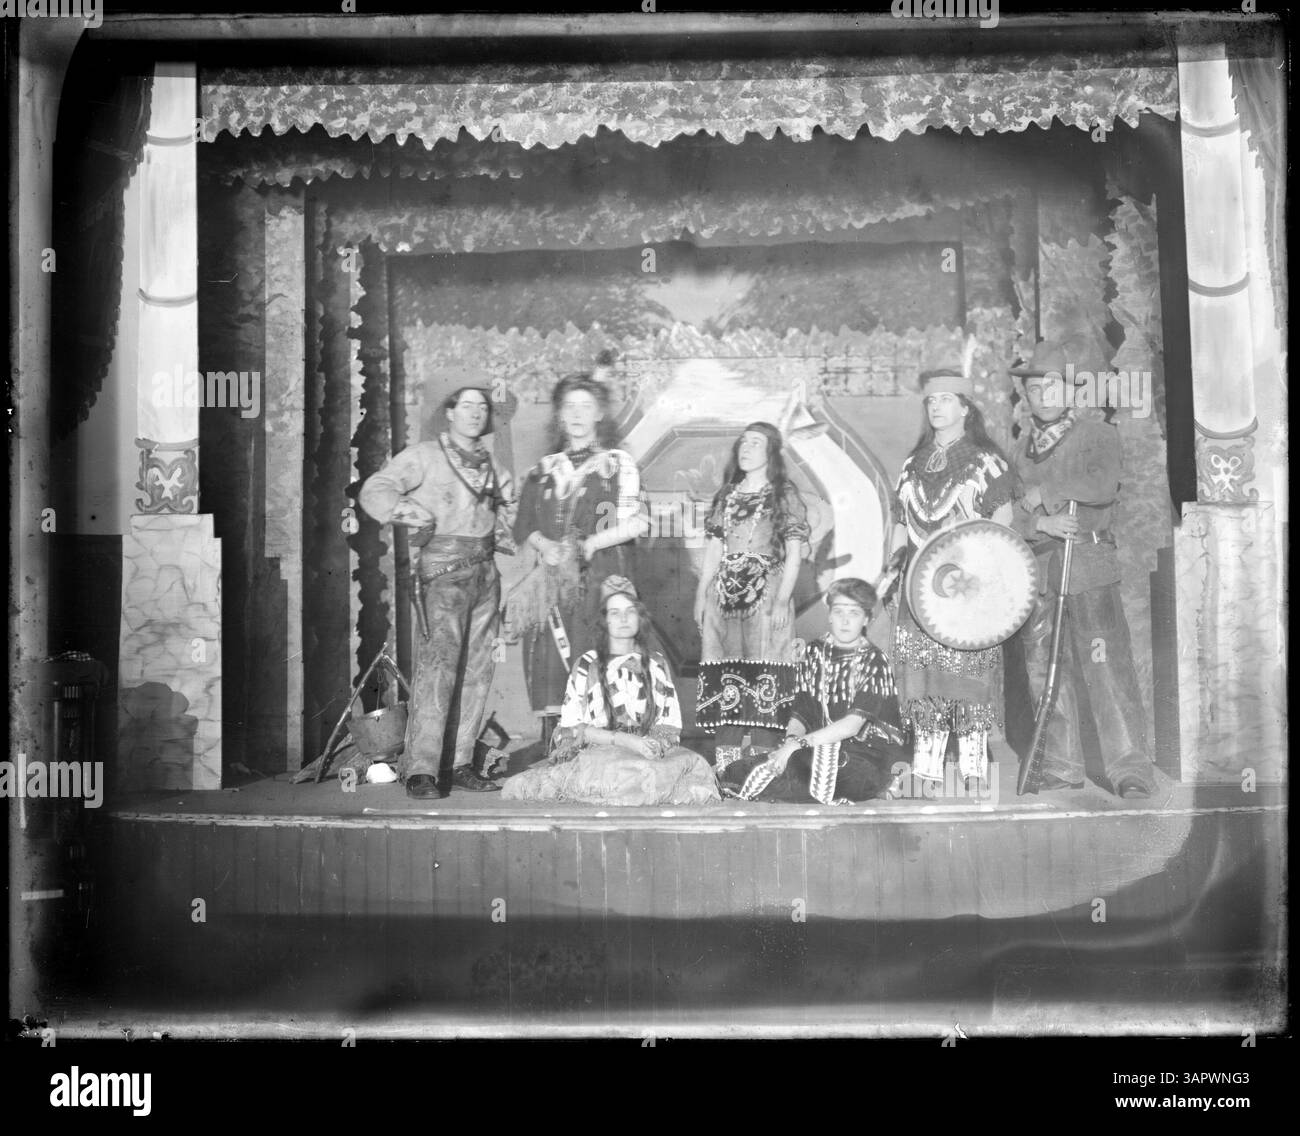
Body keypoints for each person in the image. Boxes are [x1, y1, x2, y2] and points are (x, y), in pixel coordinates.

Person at [1009, 340, 1158, 798]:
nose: (1043, 396)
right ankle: (1061, 763)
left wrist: (1047, 492)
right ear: (1027, 396)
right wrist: (1042, 521)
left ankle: (1129, 767)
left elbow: (1101, 483)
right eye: (1035, 389)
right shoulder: (1018, 450)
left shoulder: (1098, 434)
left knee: (1105, 666)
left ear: (1069, 391)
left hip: (1088, 568)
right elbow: (1009, 512)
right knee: (1044, 669)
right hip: (1041, 573)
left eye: (1051, 386)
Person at [358, 369, 516, 798]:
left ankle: (461, 760)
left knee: (478, 672)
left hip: (486, 575)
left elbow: (508, 512)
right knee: (438, 669)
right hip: (443, 574)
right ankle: (422, 770)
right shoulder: (424, 455)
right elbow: (376, 490)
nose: (475, 413)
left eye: (482, 407)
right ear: (448, 412)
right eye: (466, 405)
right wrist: (411, 513)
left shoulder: (491, 462)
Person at [888, 363, 1018, 790]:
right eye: (930, 400)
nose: (936, 407)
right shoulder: (913, 464)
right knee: (924, 677)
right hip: (917, 590)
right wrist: (890, 575)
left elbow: (1003, 522)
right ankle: (925, 773)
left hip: (967, 589)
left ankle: (974, 772)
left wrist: (987, 578)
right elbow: (899, 526)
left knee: (967, 677)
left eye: (945, 399)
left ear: (966, 408)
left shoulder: (985, 462)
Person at [501, 578, 720, 806]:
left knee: (694, 764)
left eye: (630, 611)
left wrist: (652, 746)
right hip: (600, 752)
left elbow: (668, 724)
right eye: (615, 613)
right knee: (619, 771)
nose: (623, 619)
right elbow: (570, 729)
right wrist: (624, 741)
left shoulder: (657, 664)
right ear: (604, 620)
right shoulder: (587, 664)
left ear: (640, 617)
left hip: (646, 753)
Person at [509, 374, 648, 732]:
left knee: (599, 648)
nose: (577, 414)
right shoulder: (543, 469)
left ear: (599, 414)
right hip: (553, 578)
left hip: (602, 572)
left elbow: (637, 523)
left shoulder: (618, 463)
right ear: (558, 414)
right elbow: (524, 526)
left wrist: (589, 545)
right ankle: (557, 744)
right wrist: (546, 547)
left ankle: (606, 744)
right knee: (551, 657)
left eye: (586, 406)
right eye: (569, 406)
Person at [720, 578, 908, 804]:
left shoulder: (874, 660)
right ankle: (787, 785)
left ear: (867, 618)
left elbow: (852, 726)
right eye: (839, 612)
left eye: (854, 613)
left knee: (844, 774)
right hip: (815, 749)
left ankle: (786, 787)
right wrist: (790, 743)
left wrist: (797, 746)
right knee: (737, 769)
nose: (845, 621)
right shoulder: (814, 652)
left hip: (863, 757)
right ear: (829, 614)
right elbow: (801, 712)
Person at [694, 422, 810, 773]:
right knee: (725, 675)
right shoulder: (726, 495)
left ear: (770, 452)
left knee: (764, 676)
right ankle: (726, 770)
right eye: (743, 442)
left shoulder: (783, 493)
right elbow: (714, 550)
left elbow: (794, 552)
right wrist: (701, 597)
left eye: (755, 443)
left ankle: (760, 768)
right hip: (723, 598)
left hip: (767, 595)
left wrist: (781, 600)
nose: (746, 448)